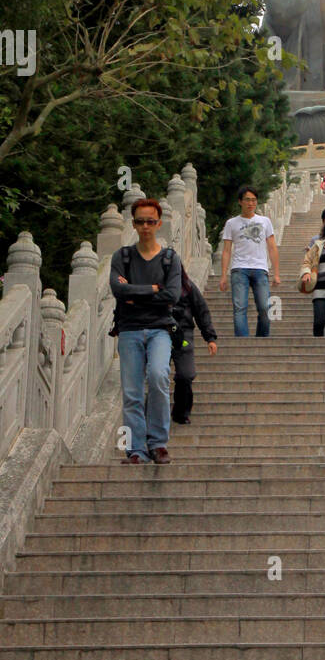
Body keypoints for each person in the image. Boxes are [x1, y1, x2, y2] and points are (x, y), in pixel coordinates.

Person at [110, 198, 182, 465]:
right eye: (140, 221)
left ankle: (158, 443)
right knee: (131, 392)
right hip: (129, 330)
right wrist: (152, 289)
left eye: (150, 221)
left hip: (159, 329)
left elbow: (172, 295)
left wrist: (136, 293)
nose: (145, 226)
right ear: (134, 224)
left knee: (159, 376)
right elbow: (118, 290)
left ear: (159, 224)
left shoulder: (169, 259)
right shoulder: (123, 257)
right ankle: (136, 451)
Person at [219, 187, 280, 337]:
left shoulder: (264, 221)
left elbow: (272, 247)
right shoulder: (231, 223)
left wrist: (276, 273)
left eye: (253, 200)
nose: (251, 203)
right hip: (239, 269)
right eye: (247, 200)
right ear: (240, 201)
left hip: (260, 269)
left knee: (265, 308)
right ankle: (242, 342)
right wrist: (223, 275)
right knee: (240, 308)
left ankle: (262, 339)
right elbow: (226, 250)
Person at [171, 265, 218, 425]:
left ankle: (181, 412)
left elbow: (201, 311)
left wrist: (210, 338)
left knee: (186, 374)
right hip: (160, 332)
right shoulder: (154, 285)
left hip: (183, 333)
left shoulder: (188, 287)